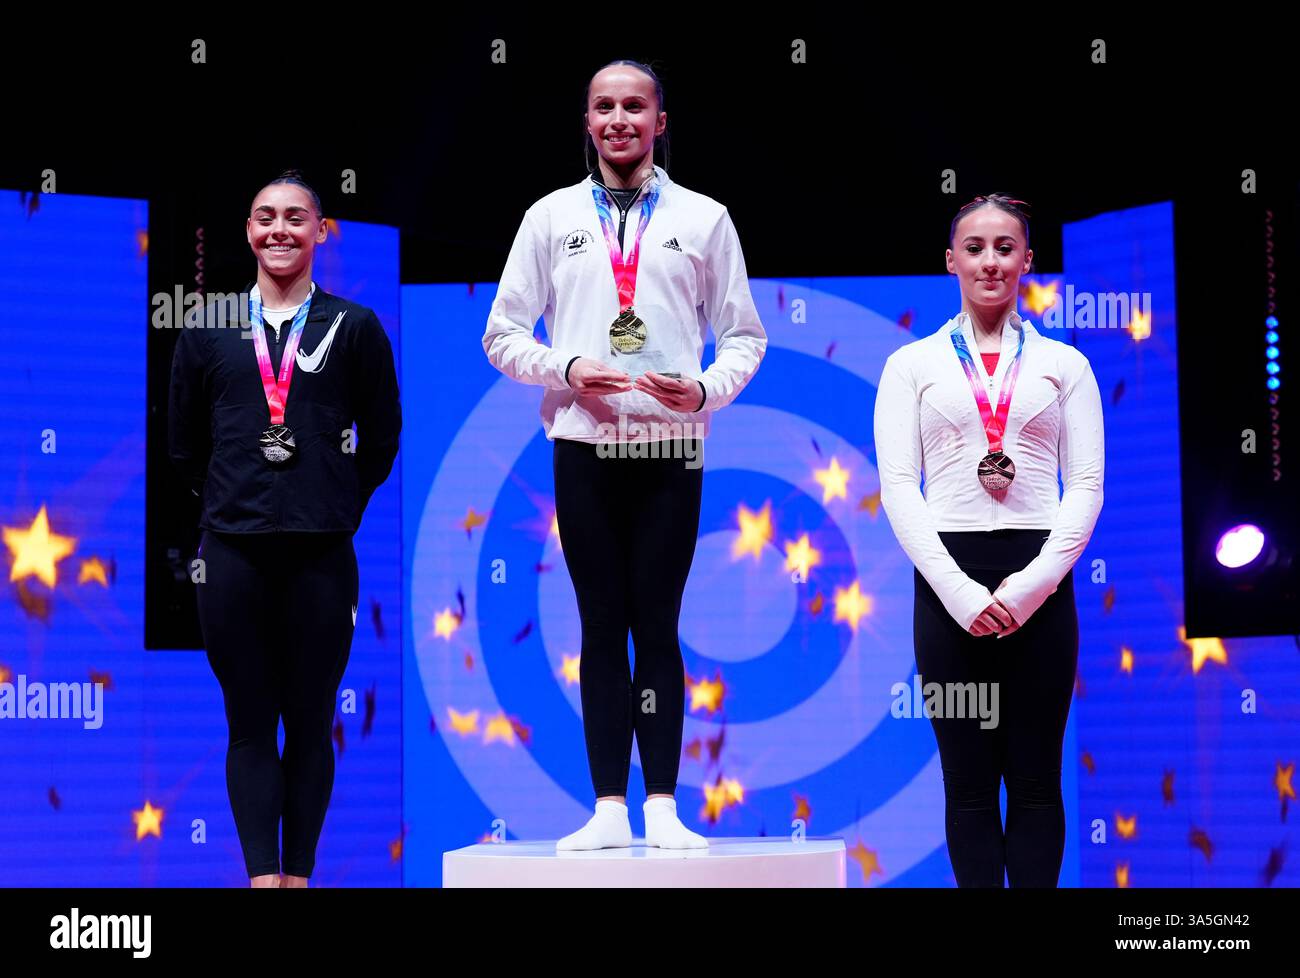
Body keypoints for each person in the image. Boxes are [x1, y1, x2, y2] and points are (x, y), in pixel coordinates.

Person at [482, 60, 766, 850]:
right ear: (586, 120)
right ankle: (608, 805)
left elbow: (746, 335)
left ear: (659, 122)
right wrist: (565, 369)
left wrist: (706, 391)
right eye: (604, 106)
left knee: (660, 623)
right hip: (583, 445)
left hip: (672, 448)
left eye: (633, 106)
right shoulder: (548, 218)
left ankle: (665, 805)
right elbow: (501, 332)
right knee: (600, 625)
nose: (618, 119)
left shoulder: (706, 219)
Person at [168, 170, 401, 886]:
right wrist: (234, 502)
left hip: (322, 556)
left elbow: (384, 435)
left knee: (308, 719)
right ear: (246, 230)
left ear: (320, 231)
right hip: (232, 554)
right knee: (247, 719)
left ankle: (299, 877)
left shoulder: (354, 325)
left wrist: (334, 502)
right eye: (265, 217)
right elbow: (183, 445)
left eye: (296, 218)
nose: (279, 230)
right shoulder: (206, 327)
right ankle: (261, 879)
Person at [874, 194, 1103, 886]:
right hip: (948, 586)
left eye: (1006, 247)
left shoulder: (1066, 364)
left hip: (1041, 587)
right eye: (974, 247)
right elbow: (899, 487)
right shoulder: (910, 365)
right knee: (968, 786)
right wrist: (959, 593)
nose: (990, 260)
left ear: (1028, 260)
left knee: (1036, 783)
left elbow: (1086, 486)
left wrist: (1032, 588)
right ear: (951, 261)